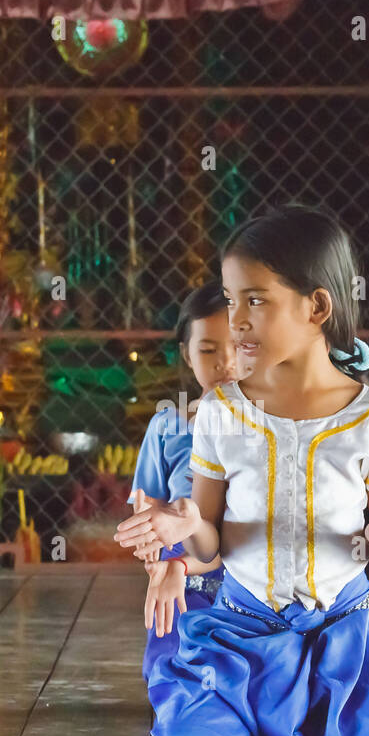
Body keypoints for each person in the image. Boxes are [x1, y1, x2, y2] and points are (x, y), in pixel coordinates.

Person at [115, 206, 369, 736]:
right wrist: (186, 523)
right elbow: (209, 552)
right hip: (242, 635)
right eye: (230, 298)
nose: (236, 319)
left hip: (343, 636)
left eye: (255, 300)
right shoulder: (221, 411)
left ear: (317, 307)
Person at [128, 283, 236, 680]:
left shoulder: (269, 430)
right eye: (208, 350)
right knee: (177, 672)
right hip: (181, 569)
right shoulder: (167, 426)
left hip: (248, 572)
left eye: (238, 347)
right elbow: (148, 509)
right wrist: (157, 557)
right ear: (187, 356)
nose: (226, 363)